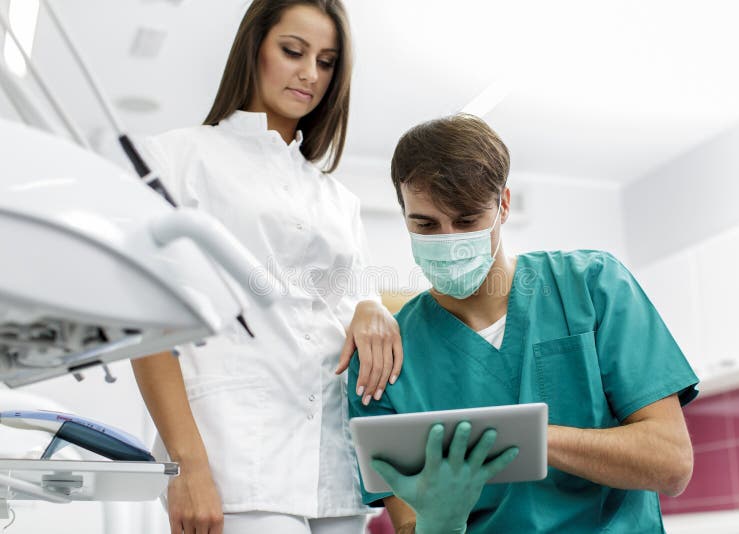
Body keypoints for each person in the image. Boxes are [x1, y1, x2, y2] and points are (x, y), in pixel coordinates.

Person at [348, 114, 699, 533]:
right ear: (403, 214)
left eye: (466, 220)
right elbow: (407, 521)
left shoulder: (590, 287)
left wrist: (523, 438)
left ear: (503, 205)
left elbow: (671, 463)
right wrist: (439, 522)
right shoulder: (385, 356)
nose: (447, 239)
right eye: (425, 224)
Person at [131, 2, 403, 533]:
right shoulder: (177, 158)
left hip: (337, 472)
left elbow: (351, 313)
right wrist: (187, 465)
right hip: (236, 464)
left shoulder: (338, 201)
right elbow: (149, 323)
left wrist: (372, 308)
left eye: (326, 62)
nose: (310, 75)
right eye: (293, 51)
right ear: (254, 47)